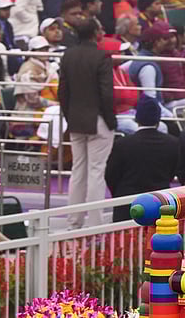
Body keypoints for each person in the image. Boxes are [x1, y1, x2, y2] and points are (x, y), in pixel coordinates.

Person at [57, 17, 116, 228]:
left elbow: (62, 92)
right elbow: (106, 94)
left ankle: (74, 222)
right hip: (98, 120)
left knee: (78, 170)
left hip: (76, 120)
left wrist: (68, 116)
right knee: (96, 171)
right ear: (95, 33)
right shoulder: (102, 57)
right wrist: (111, 121)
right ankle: (96, 224)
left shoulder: (68, 55)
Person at [105, 96, 180, 222]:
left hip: (127, 206)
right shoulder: (172, 143)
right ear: (158, 119)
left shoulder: (122, 144)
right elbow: (173, 171)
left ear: (137, 118)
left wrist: (119, 195)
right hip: (160, 203)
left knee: (125, 241)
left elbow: (111, 174)